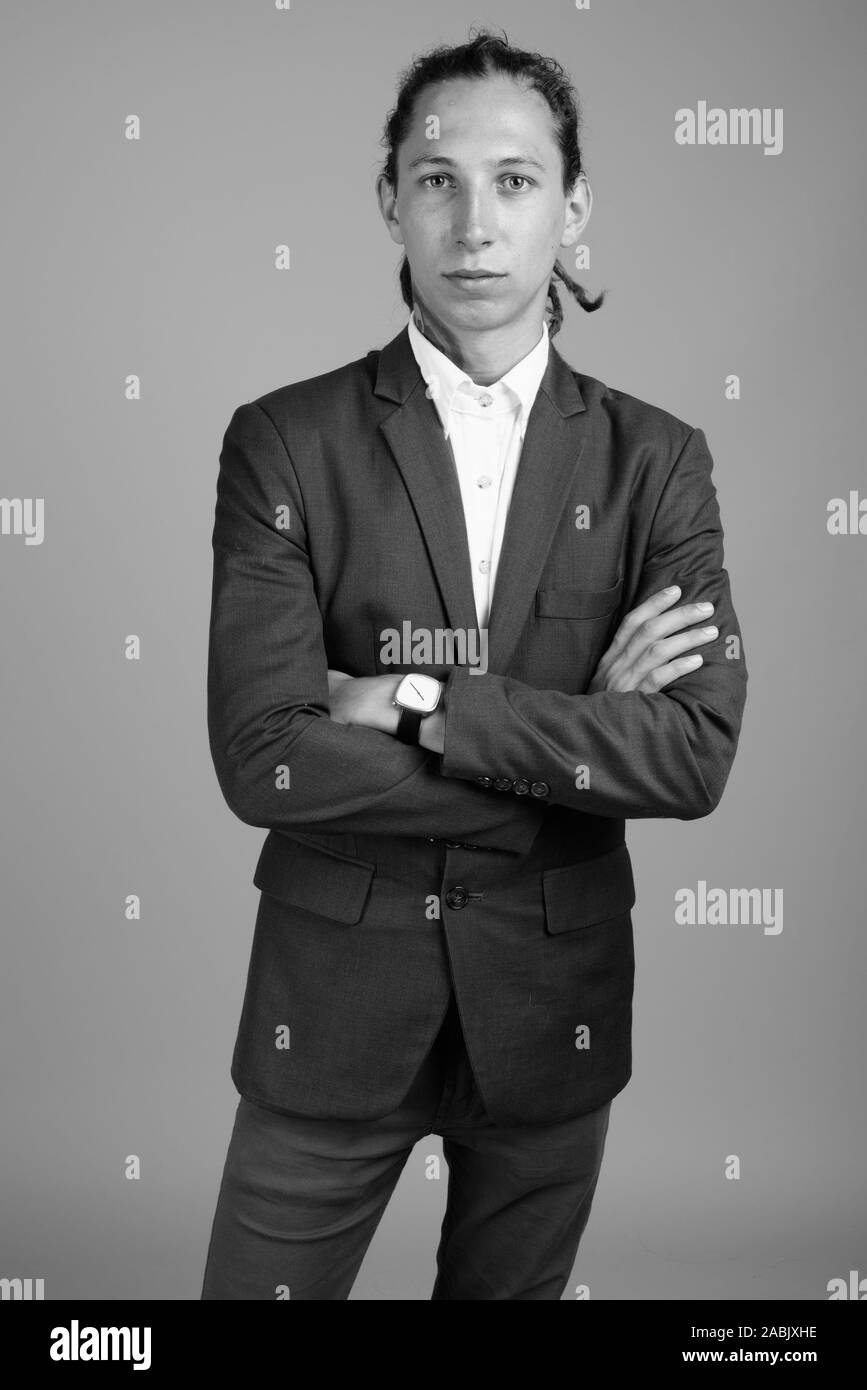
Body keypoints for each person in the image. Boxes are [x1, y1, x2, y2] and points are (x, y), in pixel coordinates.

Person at [201, 28, 747, 1301]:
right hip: (330, 1005)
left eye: (515, 180)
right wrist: (573, 742)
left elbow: (697, 753)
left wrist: (415, 702)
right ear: (390, 197)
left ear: (573, 208)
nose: (475, 223)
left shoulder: (658, 462)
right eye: (438, 178)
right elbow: (264, 757)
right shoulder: (284, 443)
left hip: (548, 1010)